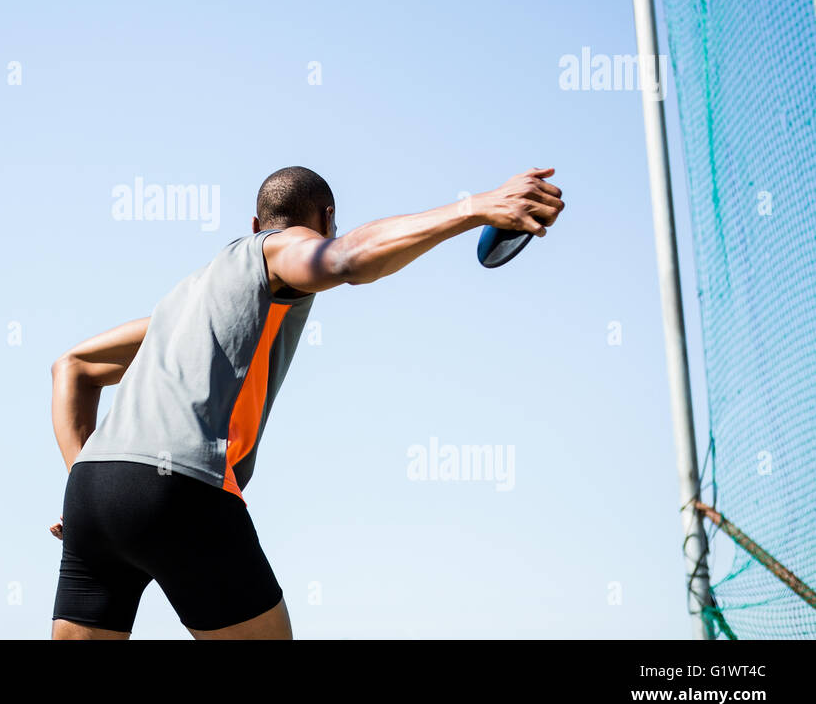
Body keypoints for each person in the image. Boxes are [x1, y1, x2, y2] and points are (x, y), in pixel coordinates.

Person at [48, 165, 564, 639]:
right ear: (326, 219)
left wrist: (85, 481)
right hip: (179, 487)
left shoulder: (185, 304)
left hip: (92, 494)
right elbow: (342, 260)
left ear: (254, 219)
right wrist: (472, 208)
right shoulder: (274, 249)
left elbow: (71, 366)